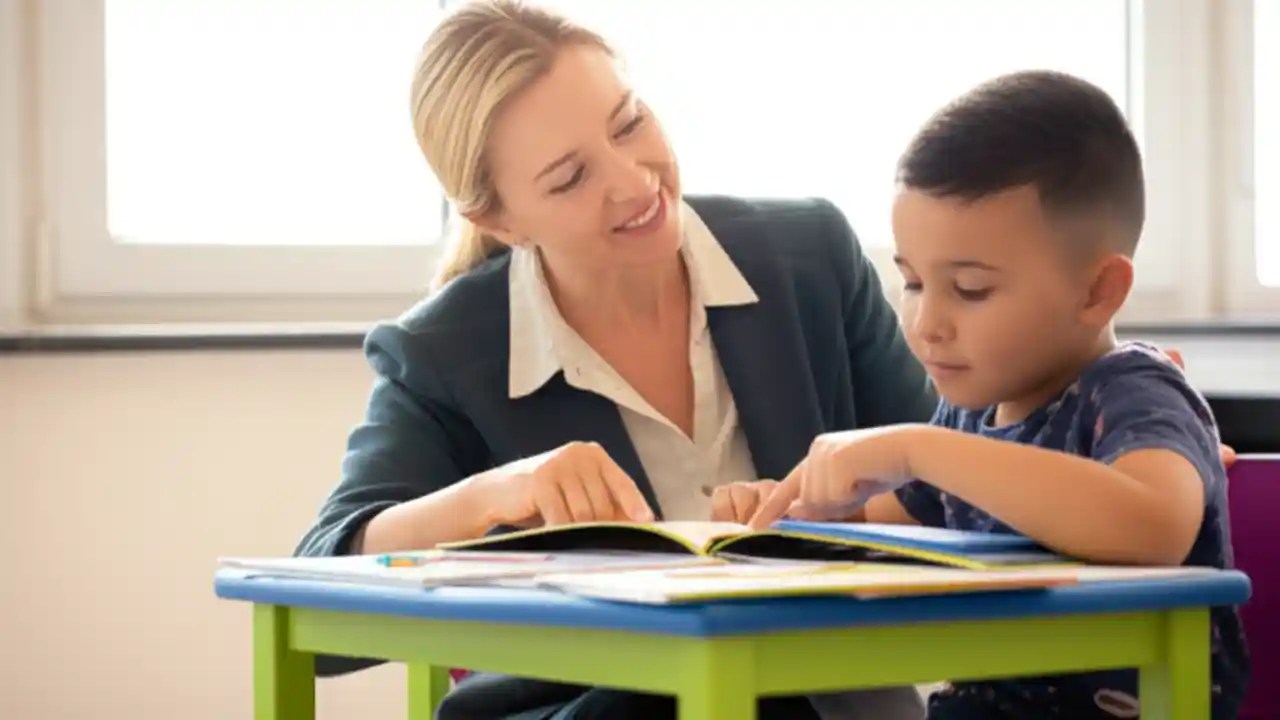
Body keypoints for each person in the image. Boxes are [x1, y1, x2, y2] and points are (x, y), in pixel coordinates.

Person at [293, 1, 933, 718]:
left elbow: (952, 491)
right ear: (499, 221)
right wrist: (495, 494)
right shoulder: (445, 353)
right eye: (570, 178)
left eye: (629, 123)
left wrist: (823, 516)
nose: (634, 182)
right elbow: (320, 619)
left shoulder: (810, 256)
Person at [746, 71, 1250, 719]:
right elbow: (878, 521)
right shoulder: (971, 414)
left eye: (971, 289)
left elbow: (1154, 523)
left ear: (1097, 292)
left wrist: (918, 447)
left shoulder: (1136, 393)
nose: (927, 325)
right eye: (913, 283)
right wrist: (794, 508)